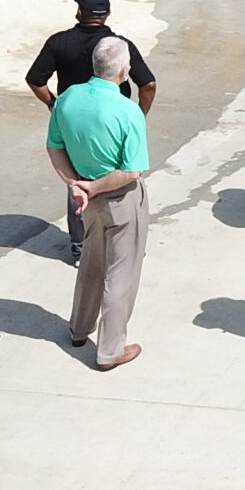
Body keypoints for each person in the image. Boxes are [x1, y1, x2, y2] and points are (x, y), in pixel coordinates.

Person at [27, 0, 158, 260]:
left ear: (79, 12)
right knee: (122, 177)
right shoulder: (118, 46)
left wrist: (54, 105)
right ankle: (123, 239)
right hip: (113, 122)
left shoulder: (58, 42)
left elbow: (35, 79)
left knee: (75, 178)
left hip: (74, 122)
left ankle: (80, 242)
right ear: (107, 14)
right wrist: (138, 116)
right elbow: (148, 85)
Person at [47, 35, 150, 371]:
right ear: (124, 70)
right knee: (121, 273)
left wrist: (75, 184)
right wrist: (93, 187)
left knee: (91, 264)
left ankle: (79, 329)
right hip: (120, 201)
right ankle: (110, 351)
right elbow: (131, 171)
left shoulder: (68, 98)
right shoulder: (127, 110)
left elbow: (55, 147)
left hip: (86, 203)